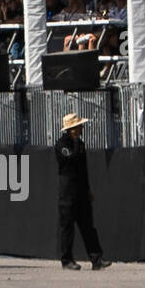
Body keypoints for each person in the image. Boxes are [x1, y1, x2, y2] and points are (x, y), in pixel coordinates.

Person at [55, 112, 111, 270]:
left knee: (88, 226)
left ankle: (96, 259)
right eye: (78, 127)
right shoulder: (62, 144)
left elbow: (83, 169)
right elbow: (70, 159)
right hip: (68, 192)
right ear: (71, 129)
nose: (81, 129)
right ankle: (67, 260)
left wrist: (88, 190)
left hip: (81, 191)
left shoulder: (81, 144)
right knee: (67, 227)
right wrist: (76, 145)